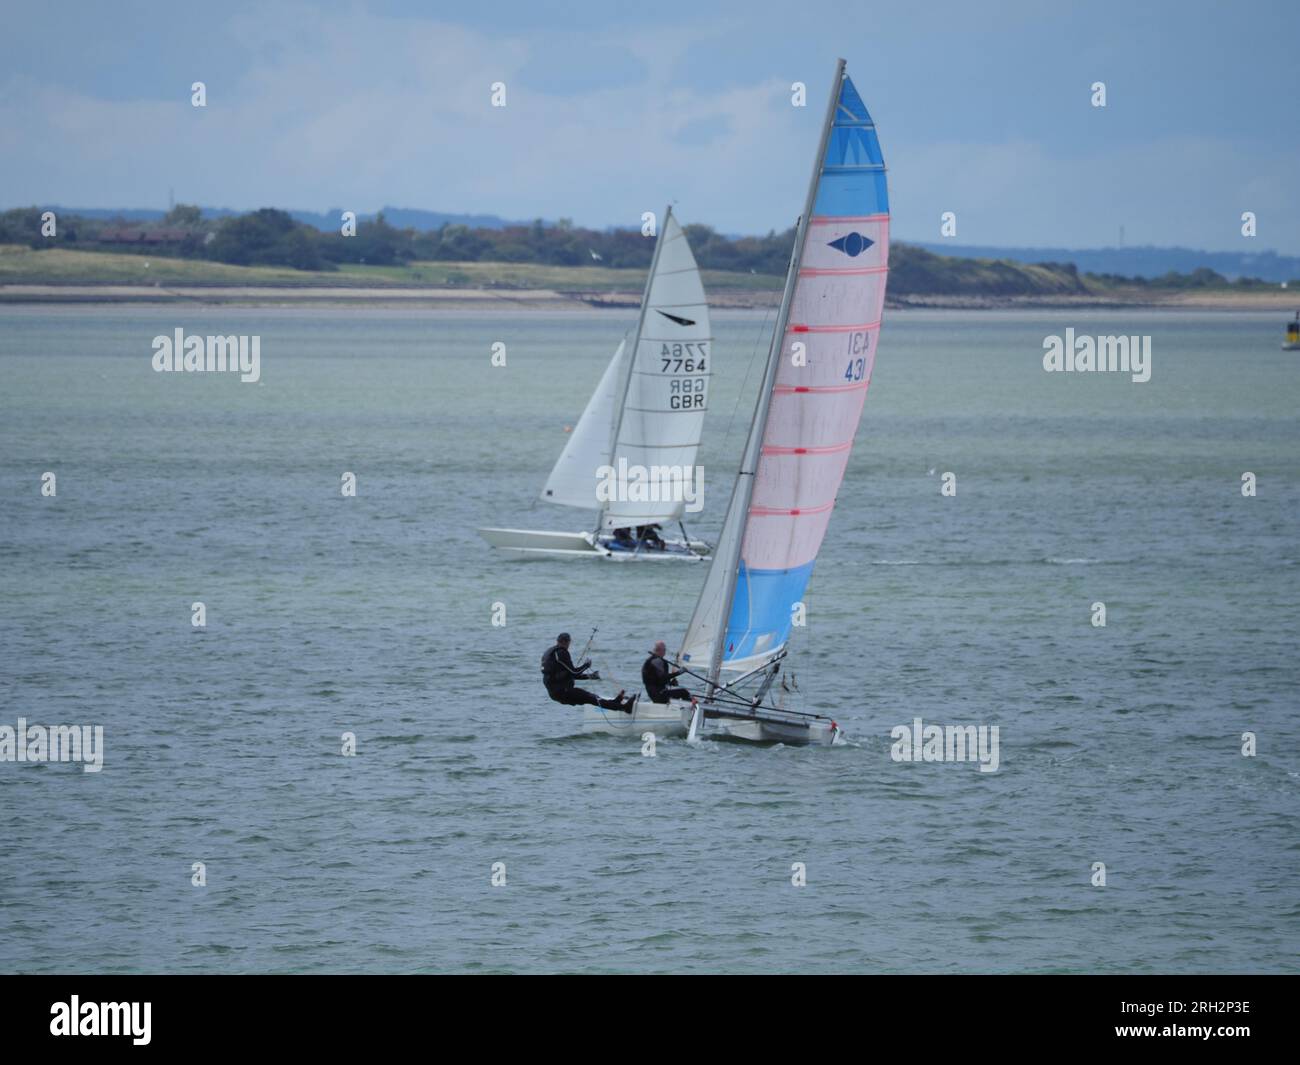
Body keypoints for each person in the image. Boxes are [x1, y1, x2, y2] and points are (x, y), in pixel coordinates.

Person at [542, 633, 634, 712]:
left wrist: (590, 676)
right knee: (592, 699)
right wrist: (586, 665)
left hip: (557, 693)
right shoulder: (561, 652)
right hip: (563, 692)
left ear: (558, 640)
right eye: (569, 643)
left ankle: (615, 703)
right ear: (567, 642)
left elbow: (568, 674)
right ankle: (624, 708)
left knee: (592, 698)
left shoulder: (551, 653)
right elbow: (574, 672)